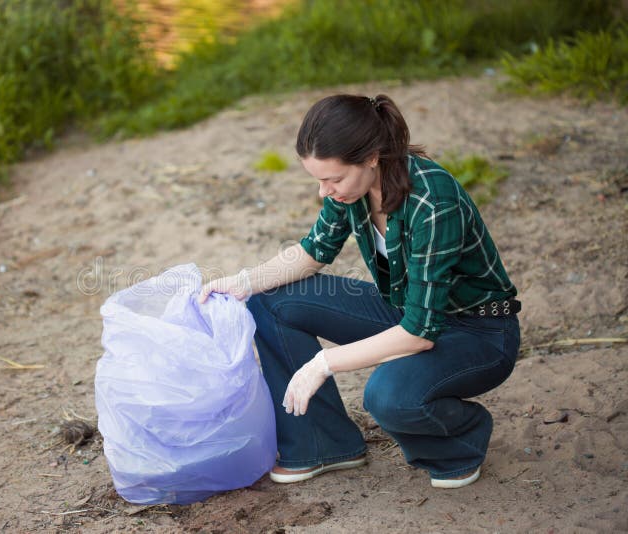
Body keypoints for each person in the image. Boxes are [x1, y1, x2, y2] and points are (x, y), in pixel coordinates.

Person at [198, 94, 521, 489]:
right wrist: (243, 282)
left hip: (478, 332)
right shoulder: (354, 189)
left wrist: (323, 363)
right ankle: (322, 443)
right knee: (271, 301)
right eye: (319, 180)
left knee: (388, 395)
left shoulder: (432, 201)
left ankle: (460, 440)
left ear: (372, 157)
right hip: (406, 310)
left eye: (333, 179)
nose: (324, 191)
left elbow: (420, 333)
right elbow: (313, 252)